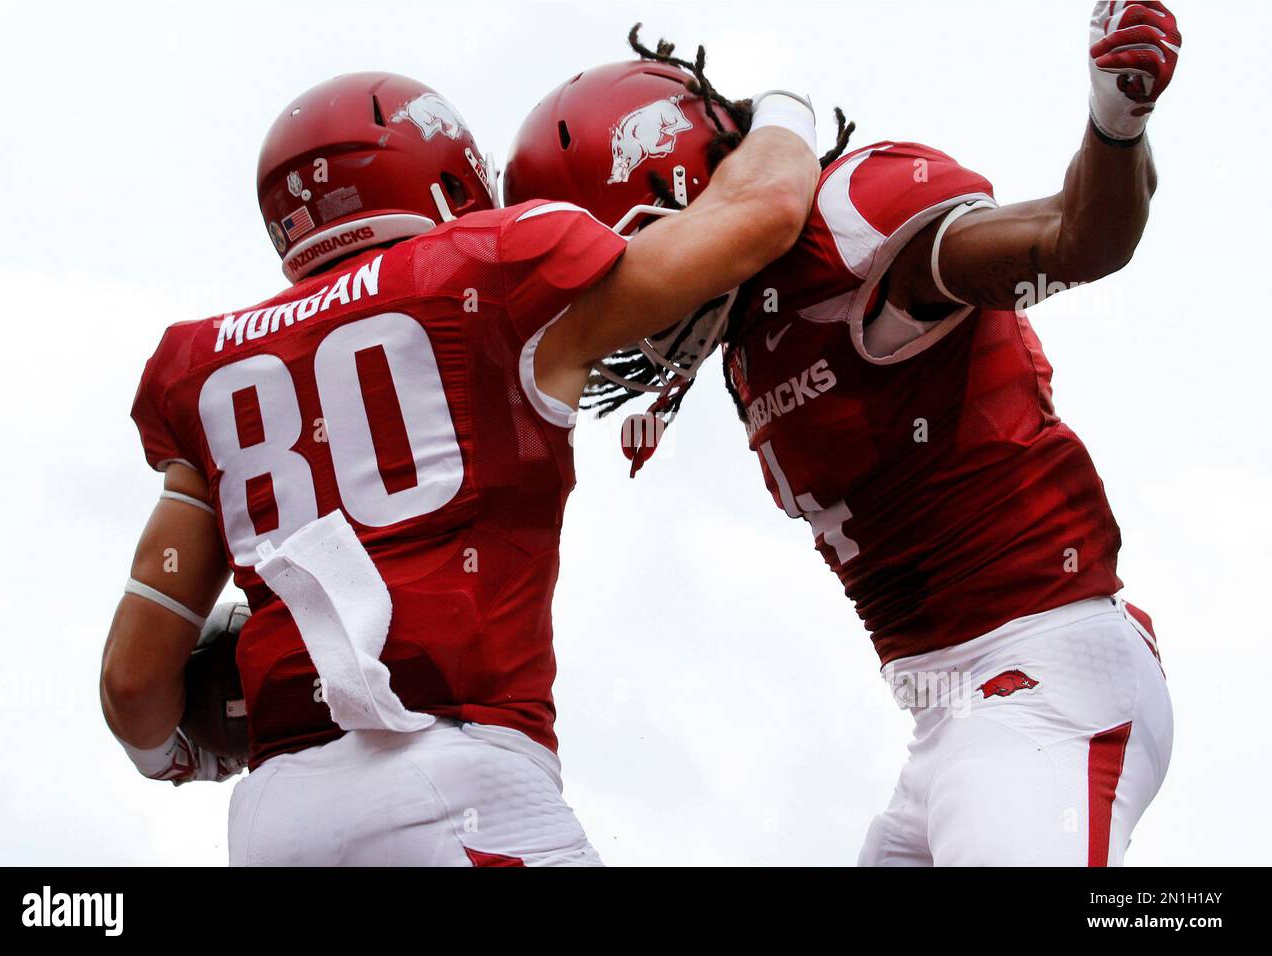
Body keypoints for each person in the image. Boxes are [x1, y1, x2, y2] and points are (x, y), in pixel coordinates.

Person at [503, 2, 1181, 865]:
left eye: (618, 265)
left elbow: (1079, 239)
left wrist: (1116, 120)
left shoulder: (849, 225)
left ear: (683, 192)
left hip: (1044, 680)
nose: (619, 307)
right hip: (950, 720)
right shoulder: (747, 334)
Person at [99, 70, 819, 865]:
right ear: (447, 179)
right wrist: (783, 108)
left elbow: (132, 686)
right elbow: (765, 212)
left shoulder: (200, 365)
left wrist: (184, 755)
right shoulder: (495, 266)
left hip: (273, 819)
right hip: (460, 784)